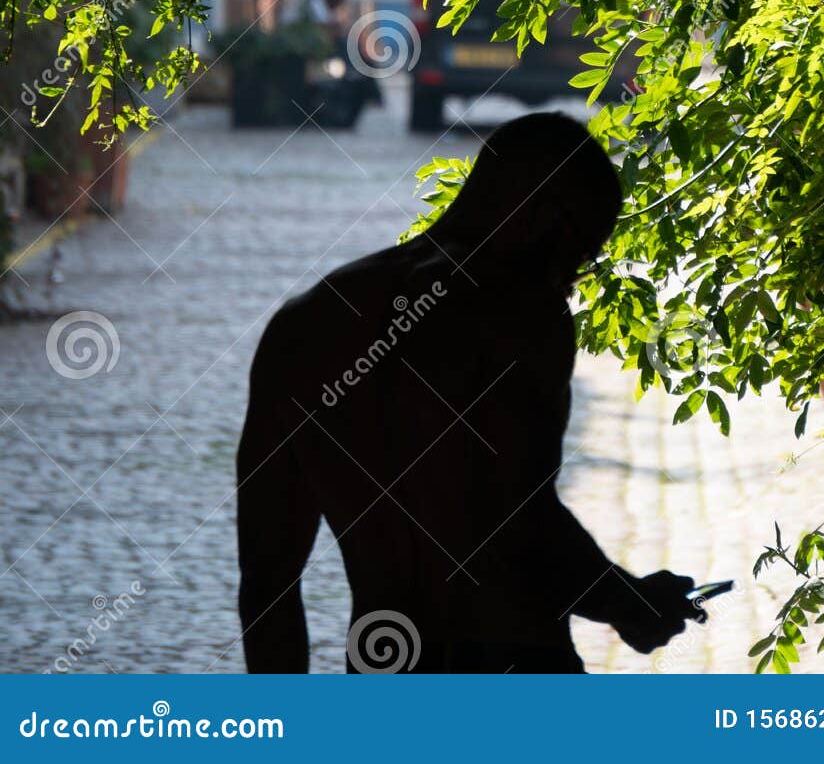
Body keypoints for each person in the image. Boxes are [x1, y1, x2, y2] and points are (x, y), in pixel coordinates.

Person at [236, 111, 702, 672]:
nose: (574, 277)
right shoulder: (520, 314)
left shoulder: (306, 324)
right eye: (582, 253)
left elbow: (267, 581)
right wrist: (631, 603)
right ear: (543, 218)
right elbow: (519, 525)